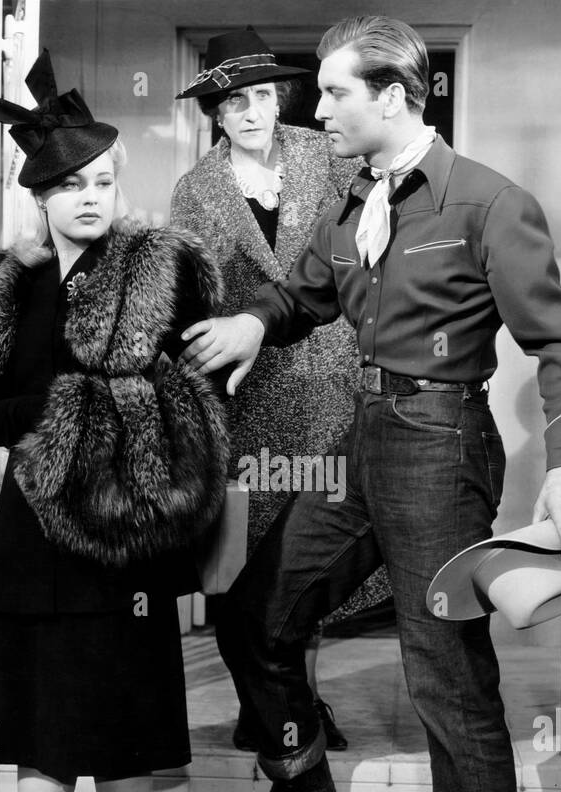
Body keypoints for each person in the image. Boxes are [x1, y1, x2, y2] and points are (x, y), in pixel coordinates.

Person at [180, 16, 561, 792]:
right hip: (362, 436)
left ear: (394, 97)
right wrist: (253, 325)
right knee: (257, 606)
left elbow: (560, 347)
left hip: (439, 442)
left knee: (447, 682)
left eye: (333, 92)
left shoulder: (488, 203)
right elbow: (302, 295)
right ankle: (299, 773)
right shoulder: (358, 201)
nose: (314, 107)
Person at [0, 52, 228, 792]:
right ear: (40, 196)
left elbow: (199, 400)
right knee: (41, 728)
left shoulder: (162, 268)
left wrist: (86, 418)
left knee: (124, 730)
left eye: (103, 181)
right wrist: (59, 404)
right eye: (69, 184)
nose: (89, 198)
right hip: (34, 545)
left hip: (125, 539)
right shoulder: (13, 285)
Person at [171, 29, 391, 753]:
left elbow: (369, 228)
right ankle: (261, 701)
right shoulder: (196, 189)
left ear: (279, 98)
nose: (251, 114)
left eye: (262, 97)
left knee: (311, 559)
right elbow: (189, 297)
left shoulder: (323, 152)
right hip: (248, 390)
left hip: (328, 378)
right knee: (254, 551)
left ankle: (304, 700)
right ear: (215, 113)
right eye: (234, 103)